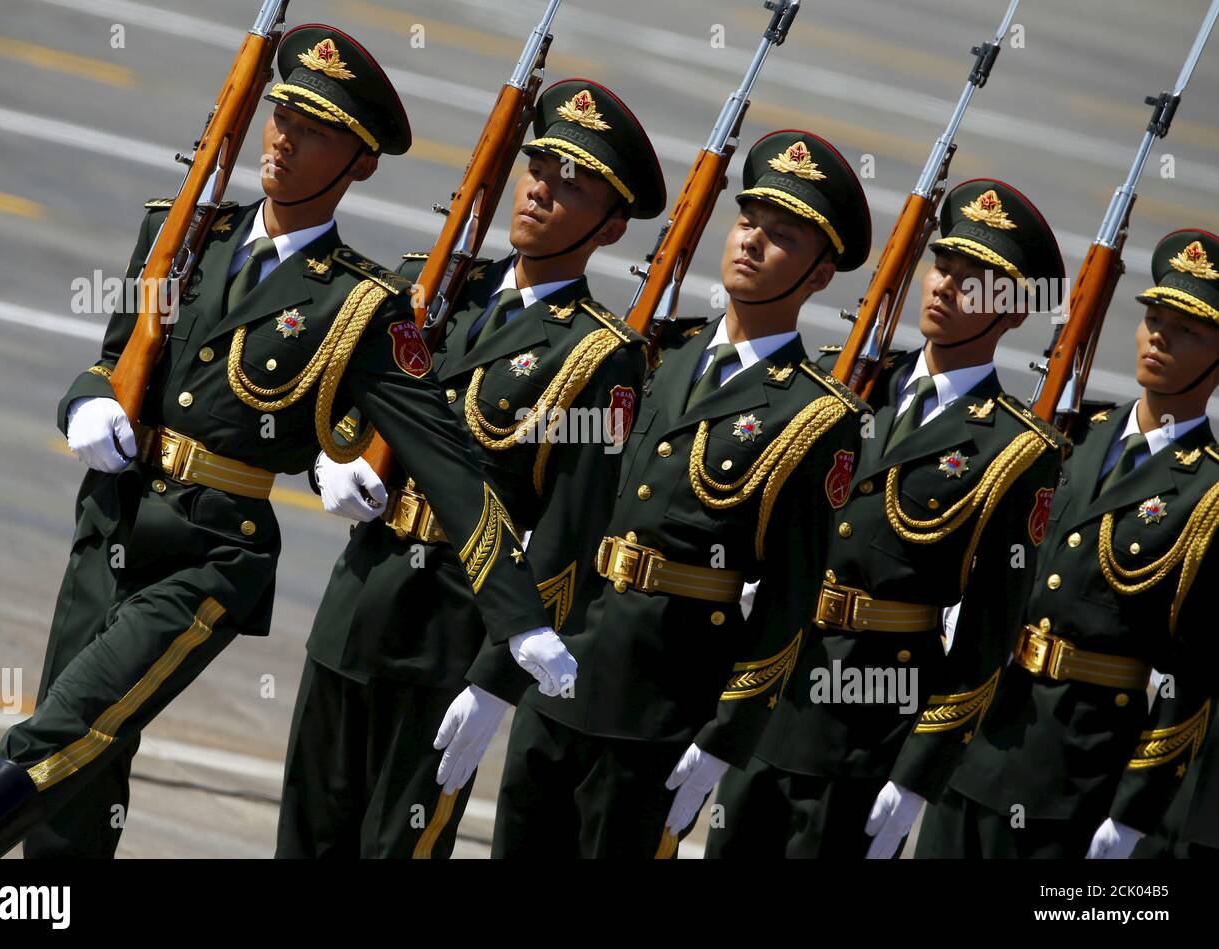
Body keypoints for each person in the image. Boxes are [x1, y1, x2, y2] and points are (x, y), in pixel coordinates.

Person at [0, 25, 573, 859]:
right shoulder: (183, 231)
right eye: (281, 114)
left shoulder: (361, 306)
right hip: (108, 527)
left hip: (209, 555)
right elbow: (112, 360)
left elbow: (448, 464)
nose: (286, 138)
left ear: (361, 164)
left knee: (70, 724)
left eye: (319, 130)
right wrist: (83, 405)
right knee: (83, 778)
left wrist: (521, 622)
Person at [441, 129, 873, 857]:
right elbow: (566, 526)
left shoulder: (814, 417)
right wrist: (498, 670)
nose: (751, 244)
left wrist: (723, 741)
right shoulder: (647, 355)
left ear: (822, 274)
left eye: (782, 237)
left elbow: (788, 605)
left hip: (661, 708)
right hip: (564, 675)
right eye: (747, 223)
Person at [274, 78, 665, 859]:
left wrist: (494, 680)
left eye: (574, 185)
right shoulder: (433, 290)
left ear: (614, 226)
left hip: (450, 637)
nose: (543, 191)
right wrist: (331, 463)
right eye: (539, 169)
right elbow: (346, 411)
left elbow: (567, 542)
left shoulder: (601, 356)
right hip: (357, 607)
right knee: (306, 843)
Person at [707, 178, 1068, 858]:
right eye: (943, 267)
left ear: (1014, 311)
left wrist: (918, 776)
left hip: (869, 729)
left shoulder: (1016, 451)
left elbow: (985, 642)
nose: (944, 287)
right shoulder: (839, 389)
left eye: (974, 281)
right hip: (773, 698)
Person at [910, 228, 1219, 859]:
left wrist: (1135, 813)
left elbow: (1197, 676)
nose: (1158, 336)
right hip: (982, 736)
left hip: (1077, 772)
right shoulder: (1072, 436)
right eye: (1154, 319)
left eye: (1186, 330)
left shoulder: (1210, 493)